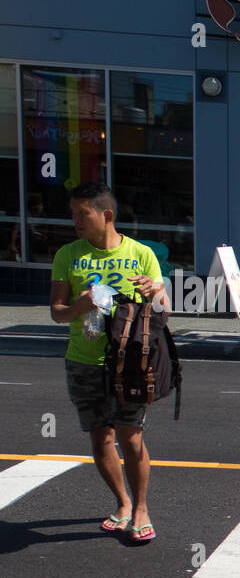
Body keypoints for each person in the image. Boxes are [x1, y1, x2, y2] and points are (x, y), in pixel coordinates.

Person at [48, 182, 167, 543]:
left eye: (82, 213)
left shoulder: (141, 253)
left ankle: (142, 508)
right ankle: (123, 503)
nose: (75, 221)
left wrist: (155, 292)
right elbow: (56, 313)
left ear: (106, 215)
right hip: (83, 361)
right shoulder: (68, 255)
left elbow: (164, 310)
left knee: (131, 438)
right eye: (73, 213)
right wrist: (80, 306)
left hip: (130, 362)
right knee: (101, 437)